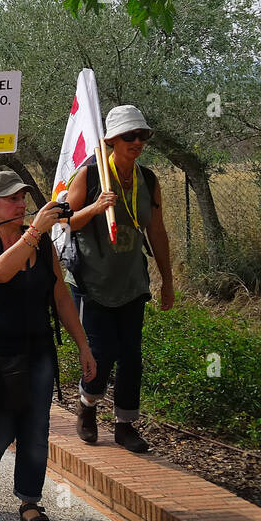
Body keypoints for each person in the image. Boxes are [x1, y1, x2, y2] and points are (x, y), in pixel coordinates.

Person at [0, 172, 97, 521]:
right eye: (12, 198)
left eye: (23, 197)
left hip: (38, 348)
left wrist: (83, 345)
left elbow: (60, 294)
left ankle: (29, 498)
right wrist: (35, 231)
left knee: (36, 427)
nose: (21, 204)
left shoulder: (43, 245)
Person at [65, 105, 174, 453]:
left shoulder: (149, 179)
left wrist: (167, 280)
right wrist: (96, 207)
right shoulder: (91, 175)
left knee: (131, 355)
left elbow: (156, 231)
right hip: (93, 282)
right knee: (101, 353)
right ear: (111, 140)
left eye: (142, 136)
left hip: (131, 281)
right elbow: (67, 221)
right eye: (130, 136)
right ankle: (88, 406)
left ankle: (126, 424)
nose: (137, 142)